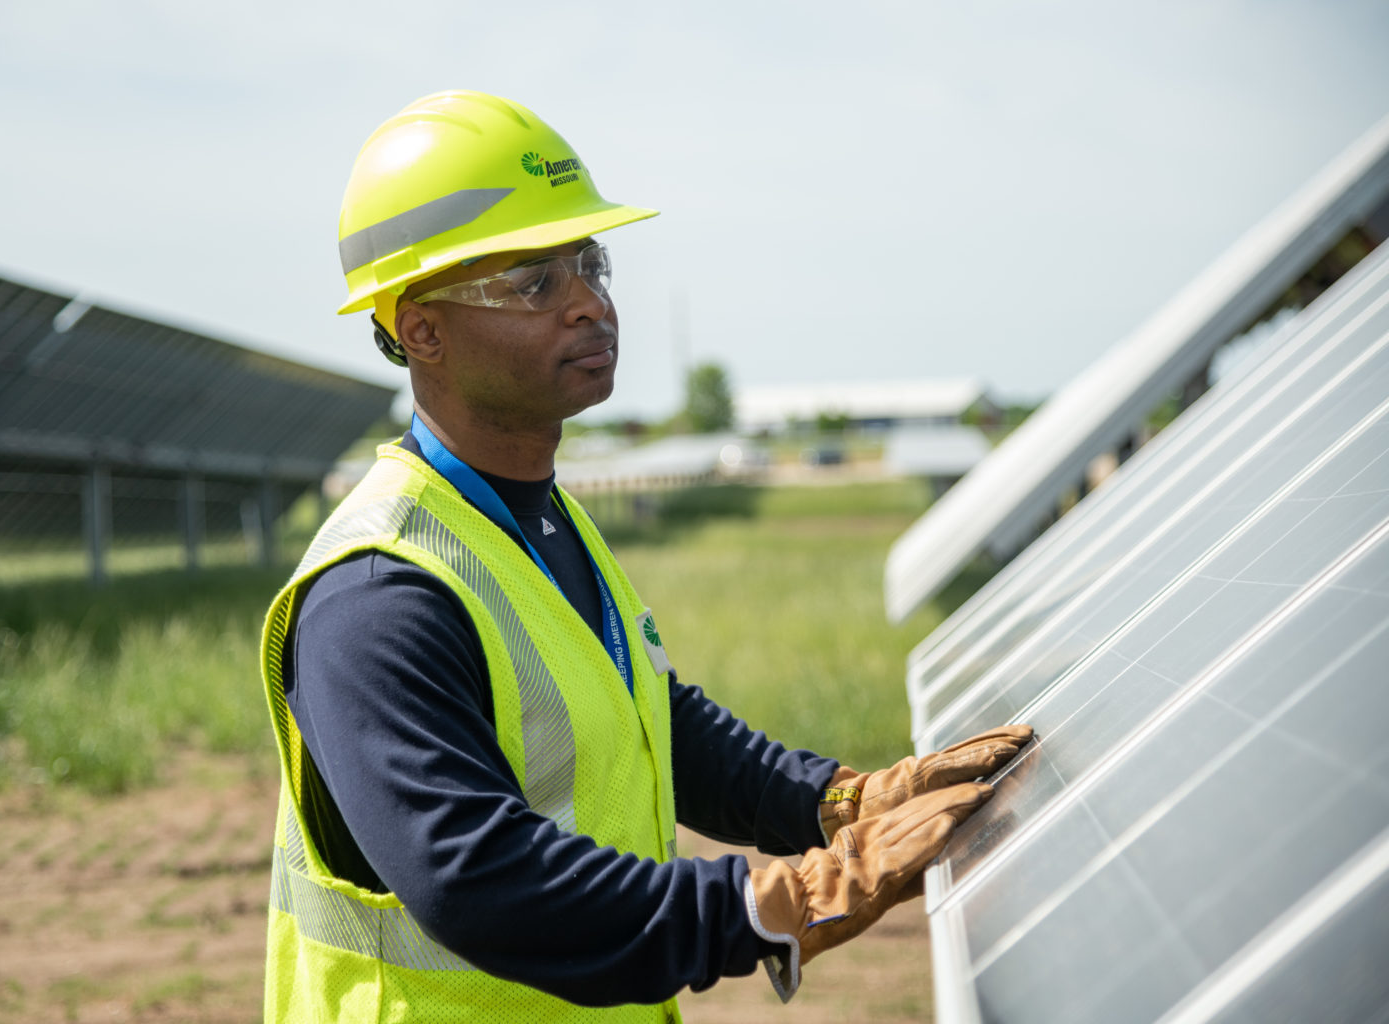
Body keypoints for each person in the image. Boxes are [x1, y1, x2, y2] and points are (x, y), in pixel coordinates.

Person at [258, 89, 1032, 1023]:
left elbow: (650, 724)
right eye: (533, 282)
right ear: (421, 328)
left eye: (591, 262)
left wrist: (834, 802)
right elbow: (477, 877)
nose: (590, 304)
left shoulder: (537, 521)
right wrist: (770, 904)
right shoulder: (378, 595)